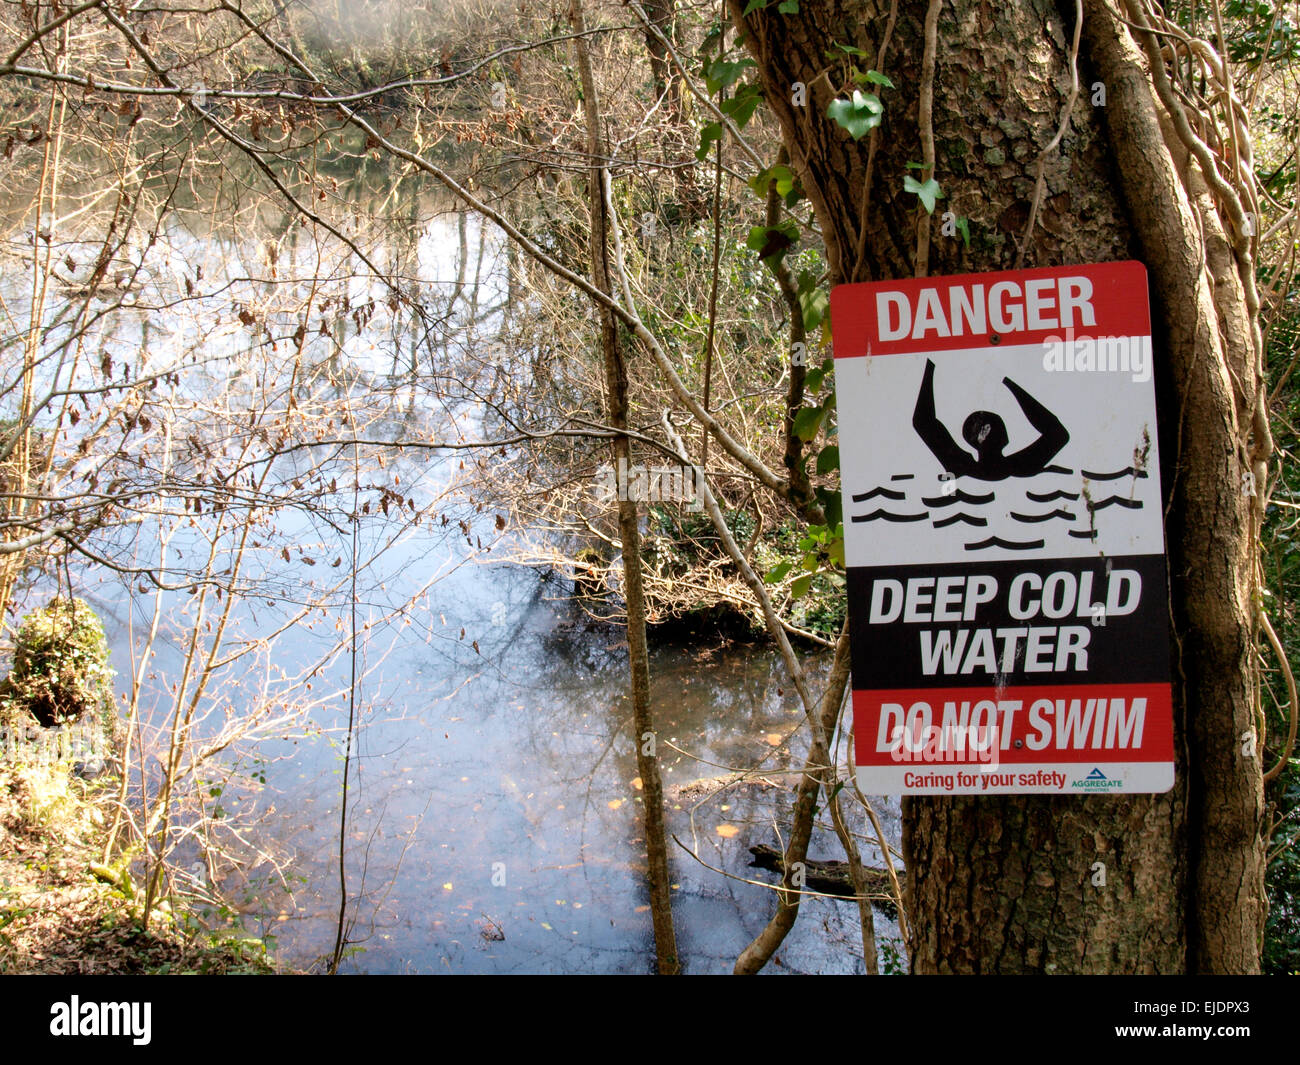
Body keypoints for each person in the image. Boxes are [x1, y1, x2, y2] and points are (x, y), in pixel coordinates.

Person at [911, 358, 1068, 481]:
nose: (1006, 431)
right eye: (1001, 425)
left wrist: (932, 365)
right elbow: (1057, 433)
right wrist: (1010, 384)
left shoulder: (959, 464)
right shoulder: (1023, 465)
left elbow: (923, 422)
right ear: (986, 432)